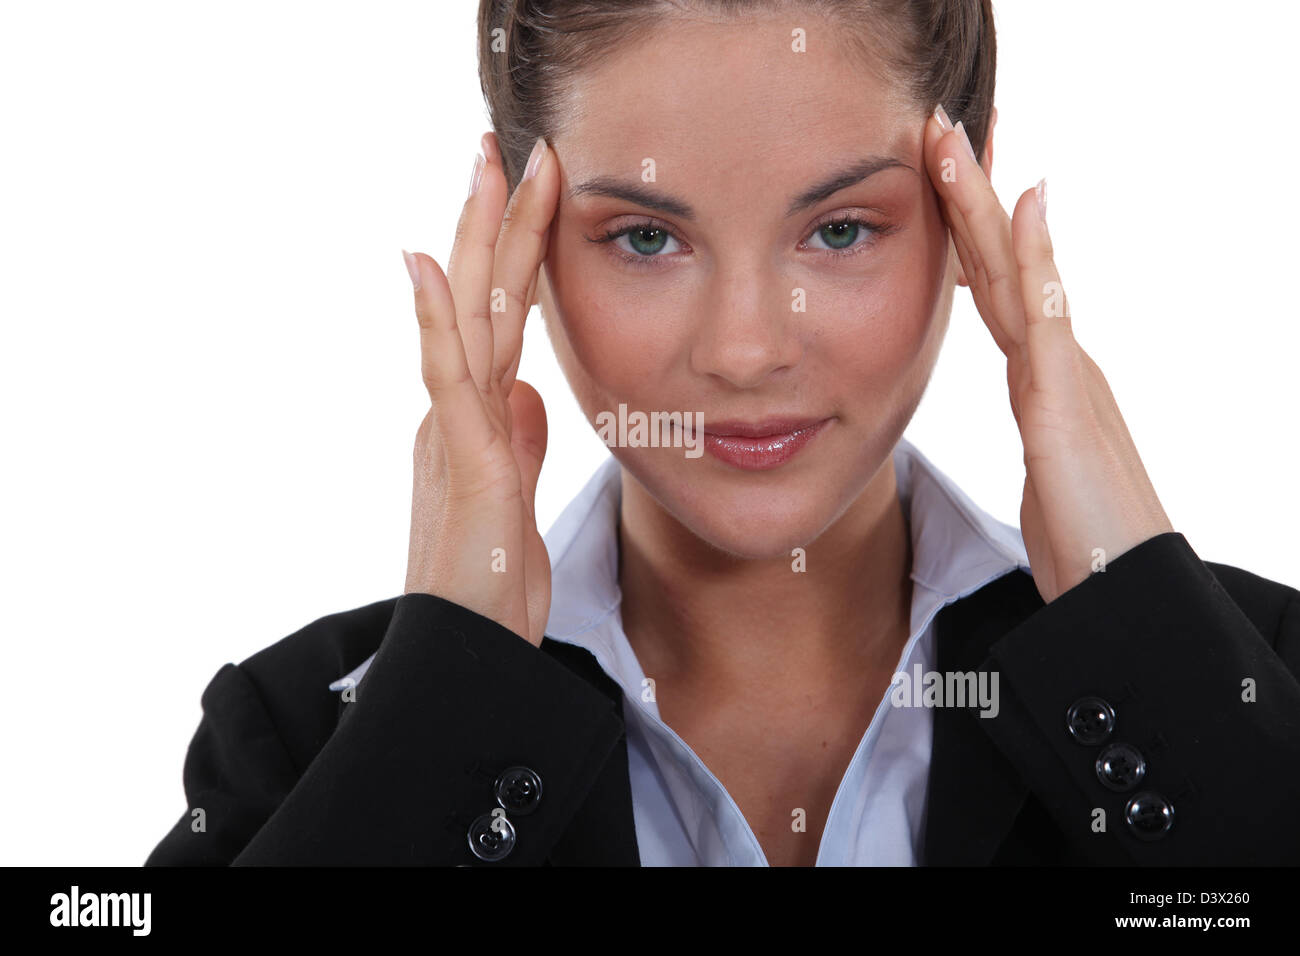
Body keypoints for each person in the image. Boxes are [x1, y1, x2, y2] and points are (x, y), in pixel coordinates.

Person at [146, 0, 1300, 867]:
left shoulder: (1243, 679)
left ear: (970, 203)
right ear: (517, 234)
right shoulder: (308, 733)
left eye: (839, 230)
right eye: (646, 239)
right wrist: (448, 691)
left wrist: (1141, 628)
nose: (746, 349)